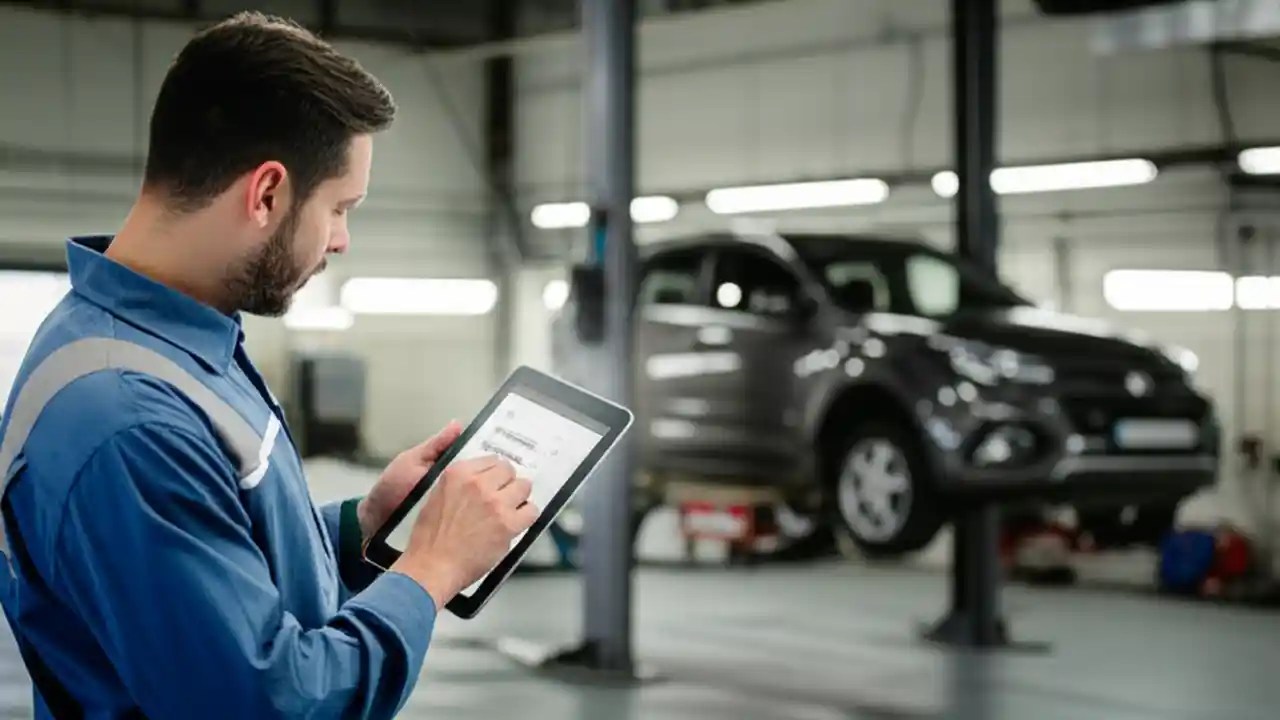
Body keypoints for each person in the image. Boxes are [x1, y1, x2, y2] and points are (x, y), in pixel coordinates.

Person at [0, 12, 538, 719]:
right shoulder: (126, 413)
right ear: (267, 194)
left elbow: (216, 548)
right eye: (341, 208)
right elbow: (270, 704)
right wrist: (430, 567)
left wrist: (364, 527)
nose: (342, 240)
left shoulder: (168, 343)